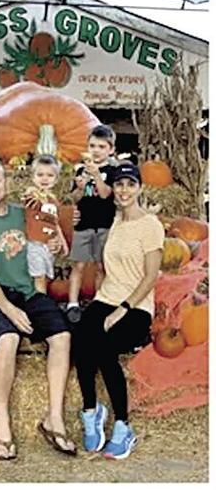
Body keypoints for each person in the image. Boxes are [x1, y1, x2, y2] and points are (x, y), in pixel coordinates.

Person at [0, 157, 76, 460]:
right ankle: (2, 419)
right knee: (8, 338)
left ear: (7, 182)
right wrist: (9, 310)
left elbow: (46, 242)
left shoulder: (24, 213)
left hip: (29, 293)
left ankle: (54, 418)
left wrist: (53, 245)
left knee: (62, 336)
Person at [73, 162, 161, 460]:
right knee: (80, 339)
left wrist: (122, 309)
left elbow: (151, 277)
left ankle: (123, 426)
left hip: (136, 304)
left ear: (139, 188)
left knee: (105, 346)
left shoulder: (150, 225)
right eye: (119, 184)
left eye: (130, 184)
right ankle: (91, 410)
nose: (124, 190)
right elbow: (79, 217)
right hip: (106, 297)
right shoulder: (112, 218)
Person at [66, 125, 120, 323]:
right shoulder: (81, 170)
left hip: (104, 225)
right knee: (78, 265)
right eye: (92, 146)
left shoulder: (113, 171)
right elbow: (74, 198)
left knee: (100, 267)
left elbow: (106, 194)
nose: (96, 150)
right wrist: (80, 188)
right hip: (84, 225)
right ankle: (73, 304)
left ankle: (98, 301)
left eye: (101, 147)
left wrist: (96, 175)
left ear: (111, 150)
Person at [22, 155, 68, 294]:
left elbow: (55, 223)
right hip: (35, 243)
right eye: (40, 175)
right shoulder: (33, 197)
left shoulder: (53, 201)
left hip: (49, 245)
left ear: (56, 179)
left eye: (50, 175)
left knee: (46, 275)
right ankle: (41, 302)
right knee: (39, 276)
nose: (44, 179)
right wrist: (32, 193)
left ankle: (40, 297)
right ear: (33, 177)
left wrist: (63, 242)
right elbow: (28, 199)